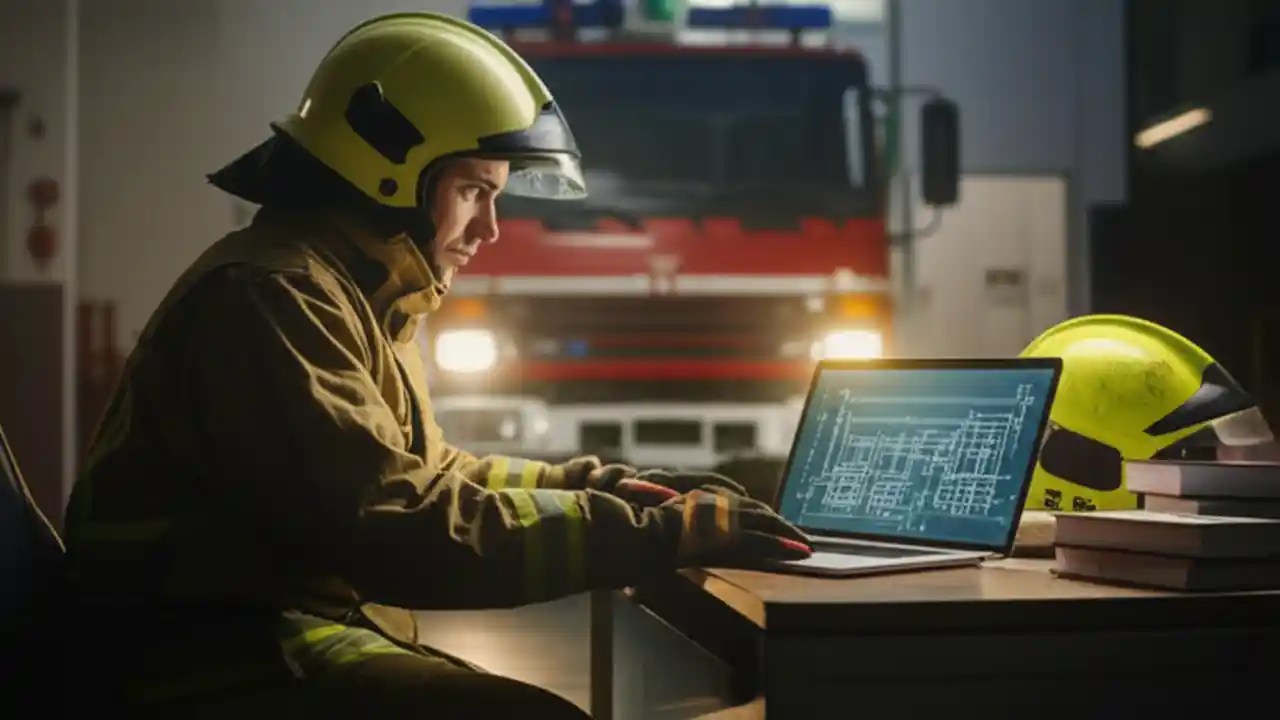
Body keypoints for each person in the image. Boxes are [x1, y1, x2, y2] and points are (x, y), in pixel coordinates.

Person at [61, 12, 811, 717]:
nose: (490, 228)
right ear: (390, 173)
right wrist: (653, 537)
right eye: (473, 192)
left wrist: (601, 486)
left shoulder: (346, 289)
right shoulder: (276, 299)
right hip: (211, 659)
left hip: (270, 631)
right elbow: (399, 527)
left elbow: (427, 475)